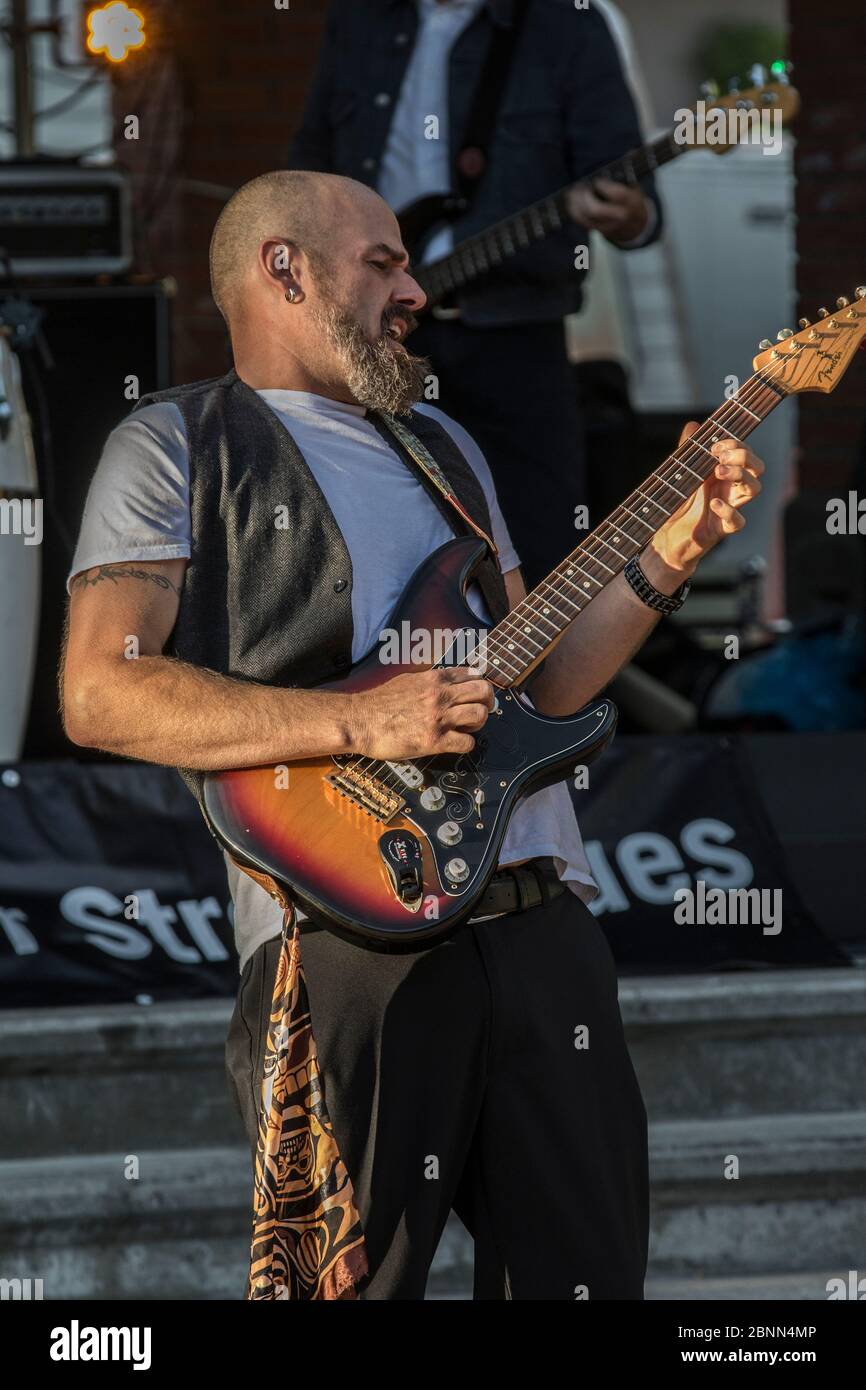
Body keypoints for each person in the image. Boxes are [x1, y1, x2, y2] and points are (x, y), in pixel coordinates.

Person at [60, 171, 762, 1300]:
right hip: (342, 940)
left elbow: (542, 676)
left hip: (538, 920)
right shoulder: (174, 444)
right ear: (282, 268)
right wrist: (359, 718)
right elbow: (99, 693)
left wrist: (670, 550)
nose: (415, 290)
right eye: (381, 263)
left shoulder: (443, 446)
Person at [290, 0, 663, 588]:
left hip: (514, 332)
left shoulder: (566, 24)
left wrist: (629, 215)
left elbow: (633, 198)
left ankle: (536, 682)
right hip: (371, 333)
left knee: (542, 549)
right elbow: (308, 170)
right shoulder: (361, 18)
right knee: (368, 543)